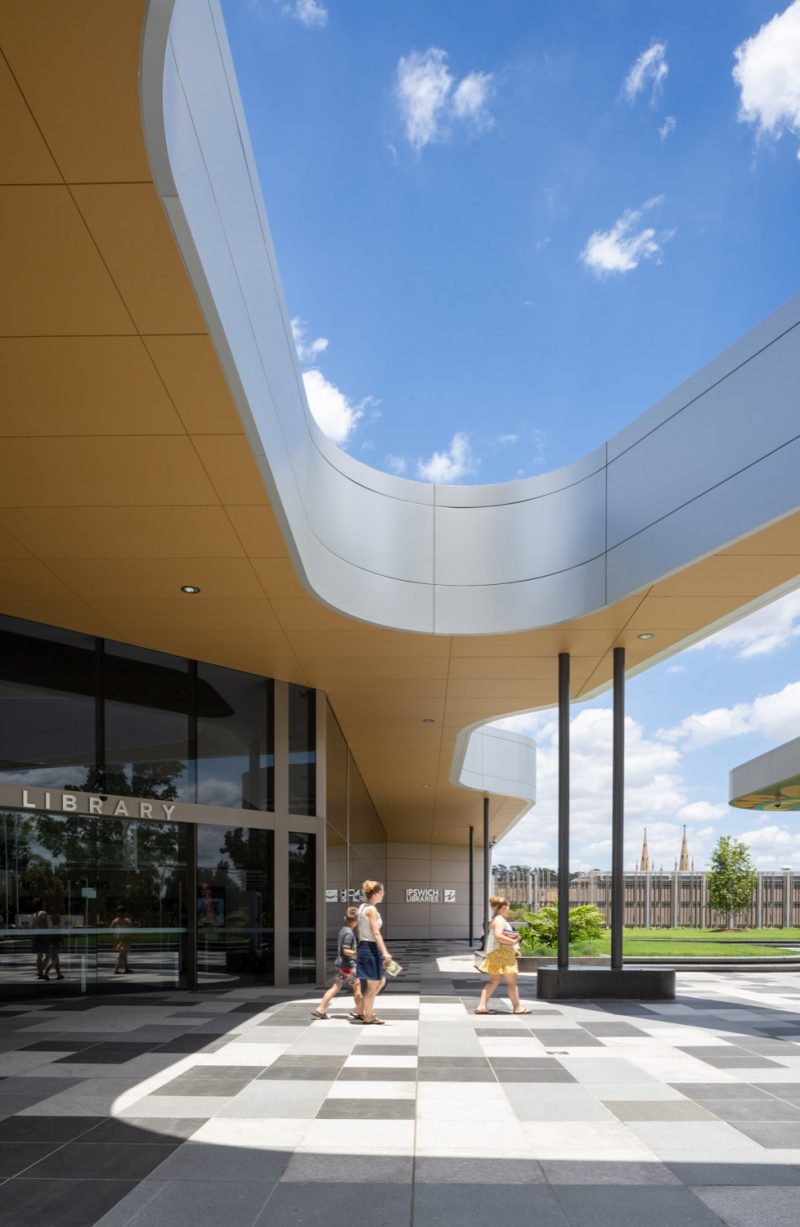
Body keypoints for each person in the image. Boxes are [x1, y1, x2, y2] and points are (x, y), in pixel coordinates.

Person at [475, 896, 531, 1015]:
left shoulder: (496, 919)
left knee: (493, 982)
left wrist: (513, 948)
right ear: (503, 907)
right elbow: (498, 936)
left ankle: (482, 1006)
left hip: (497, 954)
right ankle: (517, 1008)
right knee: (512, 983)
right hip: (503, 955)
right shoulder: (500, 920)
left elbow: (498, 937)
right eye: (508, 906)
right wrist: (513, 942)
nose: (509, 909)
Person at [312, 906, 364, 1020]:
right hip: (349, 967)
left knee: (335, 987)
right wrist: (358, 954)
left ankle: (321, 1009)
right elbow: (346, 951)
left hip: (343, 967)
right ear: (356, 921)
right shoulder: (349, 934)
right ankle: (360, 1012)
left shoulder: (343, 930)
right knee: (357, 989)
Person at [355, 880, 392, 1025]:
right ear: (376, 894)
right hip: (370, 947)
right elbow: (376, 933)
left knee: (380, 981)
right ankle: (368, 1016)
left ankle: (360, 1008)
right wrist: (385, 952)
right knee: (373, 986)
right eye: (382, 891)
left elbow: (359, 930)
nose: (383, 894)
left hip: (365, 946)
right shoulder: (371, 910)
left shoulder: (362, 907)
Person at [111, 905, 134, 974]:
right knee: (122, 954)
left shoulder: (116, 920)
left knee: (124, 954)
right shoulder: (126, 920)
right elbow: (132, 928)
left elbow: (111, 928)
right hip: (123, 939)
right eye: (120, 912)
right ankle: (116, 969)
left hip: (121, 939)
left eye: (122, 912)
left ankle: (126, 968)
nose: (121, 913)